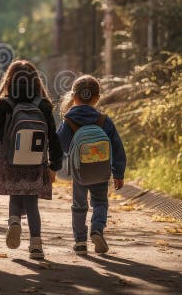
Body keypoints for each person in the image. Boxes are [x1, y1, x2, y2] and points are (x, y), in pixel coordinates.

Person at [0, 60, 63, 260]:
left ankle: (14, 222)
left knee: (15, 195)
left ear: (9, 79)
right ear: (36, 82)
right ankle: (36, 245)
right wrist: (55, 165)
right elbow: (53, 137)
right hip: (36, 162)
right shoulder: (43, 105)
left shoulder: (3, 103)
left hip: (11, 160)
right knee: (32, 203)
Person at [57, 75, 126, 256]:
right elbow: (117, 148)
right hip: (102, 171)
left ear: (73, 96)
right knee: (100, 202)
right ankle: (97, 229)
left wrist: (56, 165)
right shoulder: (104, 120)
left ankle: (80, 241)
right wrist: (118, 173)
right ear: (96, 98)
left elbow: (60, 145)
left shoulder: (68, 121)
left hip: (80, 172)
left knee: (79, 205)